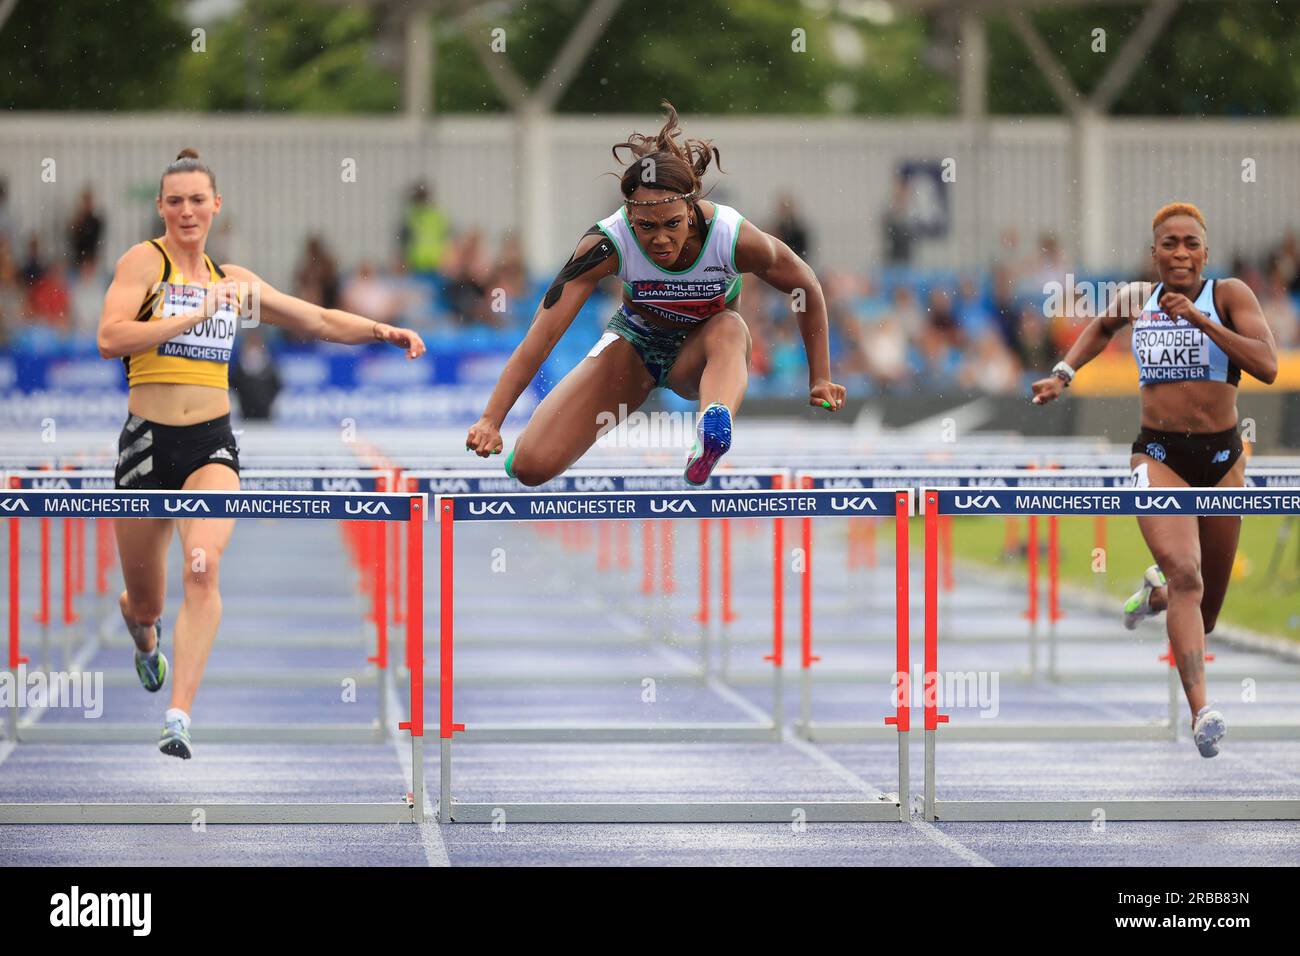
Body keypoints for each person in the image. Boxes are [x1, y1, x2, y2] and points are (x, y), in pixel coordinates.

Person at [97, 148, 427, 758]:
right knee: (144, 599)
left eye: (198, 200)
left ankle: (179, 716)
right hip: (145, 446)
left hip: (210, 446)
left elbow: (319, 321)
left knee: (203, 565)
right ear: (161, 207)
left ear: (216, 206)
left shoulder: (236, 283)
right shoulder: (146, 262)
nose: (187, 211)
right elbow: (110, 338)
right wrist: (192, 314)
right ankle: (144, 632)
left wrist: (381, 331)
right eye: (176, 201)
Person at [463, 102, 845, 485]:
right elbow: (542, 336)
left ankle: (710, 430)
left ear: (691, 207)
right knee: (531, 468)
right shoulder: (607, 243)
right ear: (629, 216)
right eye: (646, 227)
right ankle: (531, 450)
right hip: (634, 347)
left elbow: (805, 284)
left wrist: (820, 377)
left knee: (730, 326)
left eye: (672, 224)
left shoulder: (732, 237)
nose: (660, 239)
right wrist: (491, 418)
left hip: (700, 357)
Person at [1031, 202, 1279, 758]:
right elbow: (1099, 326)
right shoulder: (1135, 300)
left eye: (1191, 243)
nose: (1181, 252)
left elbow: (1268, 366)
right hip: (1157, 456)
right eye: (1170, 243)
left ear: (1205, 253)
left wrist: (1197, 319)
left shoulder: (1230, 294)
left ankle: (1155, 595)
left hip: (1222, 461)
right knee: (1188, 575)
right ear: (1155, 254)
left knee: (1204, 609)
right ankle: (1203, 713)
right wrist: (1063, 374)